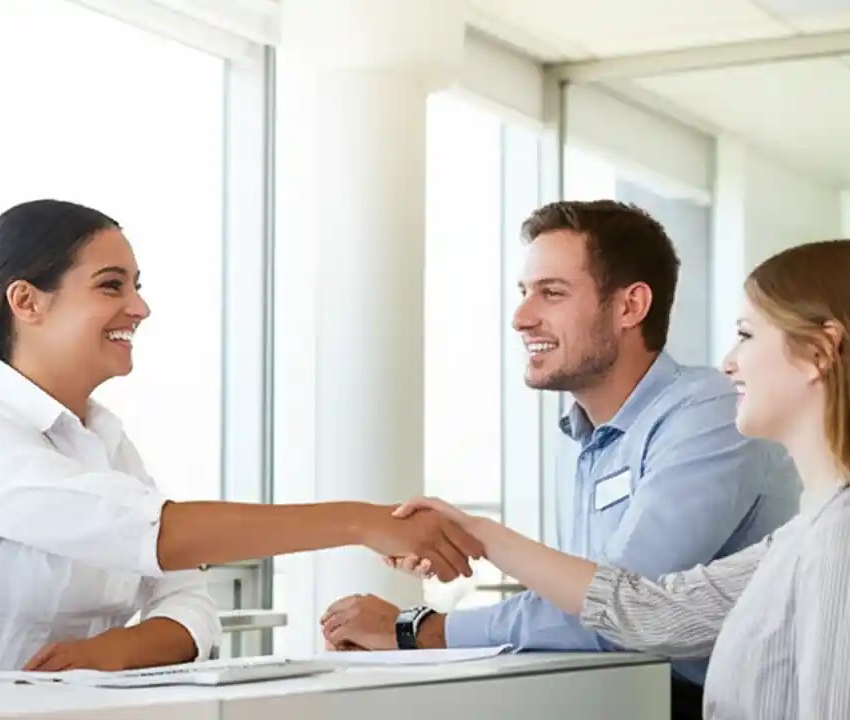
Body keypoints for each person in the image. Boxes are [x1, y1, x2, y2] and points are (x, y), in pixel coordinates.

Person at [391, 239, 850, 718]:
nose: (728, 362)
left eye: (745, 335)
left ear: (821, 352)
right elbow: (651, 611)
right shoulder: (818, 530)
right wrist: (477, 532)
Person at [0, 199, 482, 680]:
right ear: (27, 301)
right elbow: (156, 533)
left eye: (136, 286)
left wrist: (109, 653)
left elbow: (191, 603)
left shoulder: (105, 439)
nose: (140, 307)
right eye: (111, 286)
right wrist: (361, 521)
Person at [320, 200, 799, 710]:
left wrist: (419, 630)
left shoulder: (710, 412)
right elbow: (585, 599)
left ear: (630, 307)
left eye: (551, 293)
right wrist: (460, 542)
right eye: (525, 293)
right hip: (628, 697)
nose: (522, 318)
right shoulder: (581, 437)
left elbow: (622, 614)